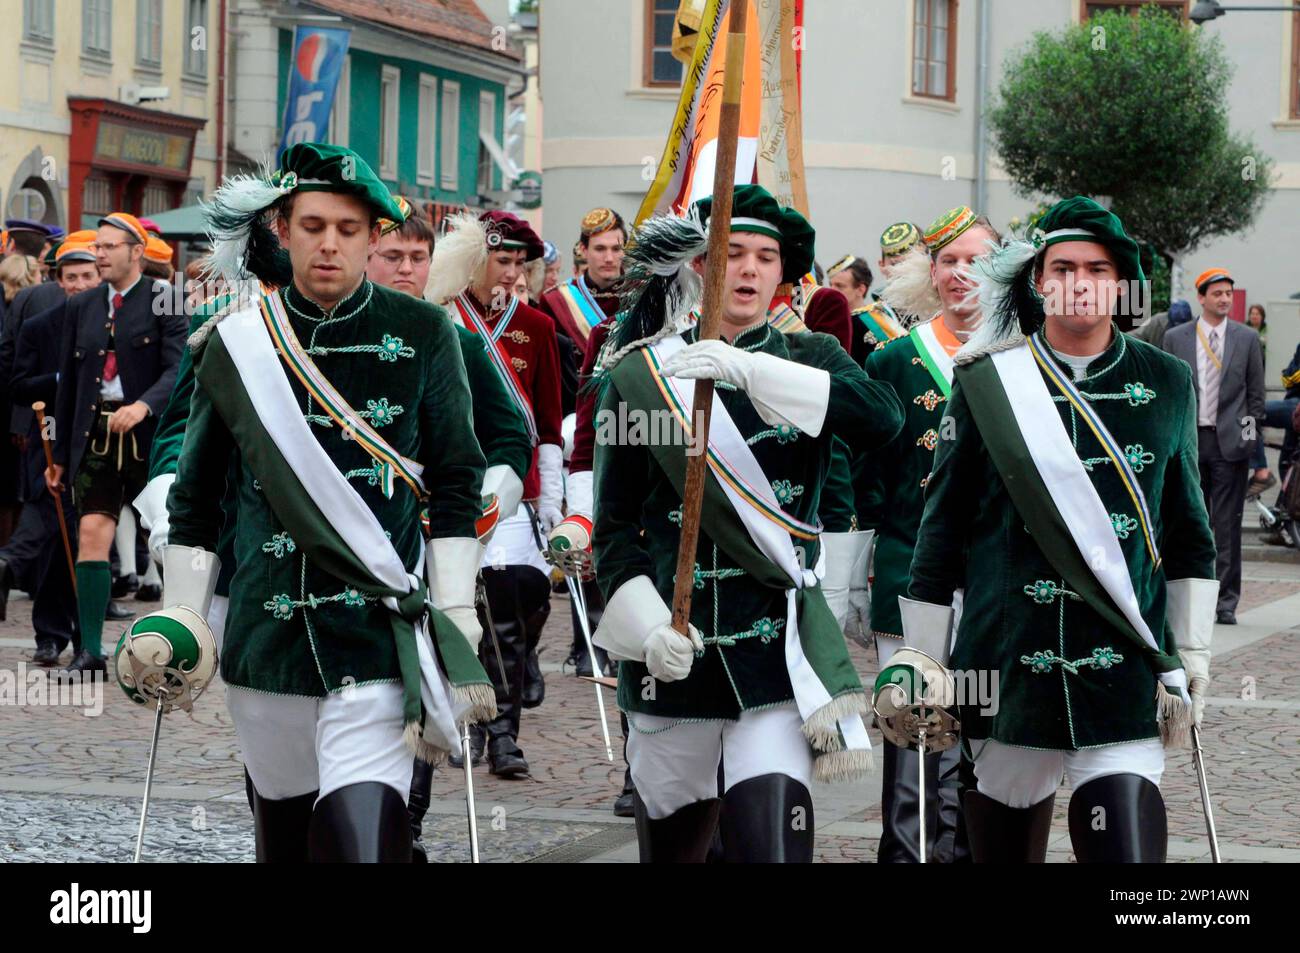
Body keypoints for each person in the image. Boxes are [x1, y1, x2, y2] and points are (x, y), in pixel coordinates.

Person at [155, 142, 492, 862]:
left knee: (365, 838)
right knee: (286, 840)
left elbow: (459, 478)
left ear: (374, 235)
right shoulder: (233, 342)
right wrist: (182, 616)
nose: (329, 244)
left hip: (375, 638)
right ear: (282, 228)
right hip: (265, 643)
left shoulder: (426, 334)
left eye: (347, 228)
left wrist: (456, 609)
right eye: (313, 226)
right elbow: (196, 497)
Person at [590, 184, 904, 862]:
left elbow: (883, 418)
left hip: (774, 656)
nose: (752, 270)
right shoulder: (641, 375)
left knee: (772, 837)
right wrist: (646, 628)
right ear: (699, 265)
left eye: (767, 256)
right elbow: (614, 530)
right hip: (674, 657)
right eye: (733, 253)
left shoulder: (810, 357)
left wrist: (753, 371)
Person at [905, 196, 1217, 863]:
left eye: (1098, 268)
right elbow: (940, 536)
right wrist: (922, 659)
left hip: (1127, 671)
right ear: (1037, 281)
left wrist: (1191, 656)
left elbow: (1190, 533)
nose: (1080, 282)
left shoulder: (1166, 381)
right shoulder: (987, 381)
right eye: (1064, 267)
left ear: (1121, 283)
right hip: (1006, 671)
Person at [365, 199, 531, 859]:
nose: (408, 268)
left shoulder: (456, 341)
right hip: (346, 543)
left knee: (423, 678)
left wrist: (486, 500)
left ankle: (404, 826)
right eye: (394, 255)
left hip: (430, 541)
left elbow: (511, 433)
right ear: (367, 257)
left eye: (417, 257)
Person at [850, 205, 999, 864]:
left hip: (1000, 579)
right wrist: (853, 575)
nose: (962, 273)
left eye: (978, 259)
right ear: (928, 271)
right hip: (912, 576)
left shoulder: (1025, 355)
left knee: (986, 733)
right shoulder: (892, 363)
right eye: (949, 260)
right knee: (915, 725)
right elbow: (865, 478)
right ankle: (907, 856)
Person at [428, 209, 564, 778]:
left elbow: (552, 422)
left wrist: (552, 500)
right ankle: (483, 723)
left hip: (514, 487)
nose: (509, 272)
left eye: (517, 262)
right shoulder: (438, 318)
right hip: (452, 485)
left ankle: (503, 729)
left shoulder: (536, 326)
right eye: (499, 259)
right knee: (469, 604)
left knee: (515, 598)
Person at [47, 213, 186, 674]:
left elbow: (178, 368)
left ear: (137, 251)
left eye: (109, 247)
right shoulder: (81, 306)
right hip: (96, 436)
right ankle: (89, 650)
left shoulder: (167, 297)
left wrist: (144, 405)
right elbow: (70, 386)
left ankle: (183, 646)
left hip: (150, 435)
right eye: (97, 247)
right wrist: (61, 457)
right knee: (91, 532)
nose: (100, 255)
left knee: (167, 542)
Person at [0, 234, 102, 664]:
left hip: (97, 446)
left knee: (86, 543)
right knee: (53, 534)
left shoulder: (110, 323)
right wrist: (62, 382)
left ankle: (85, 638)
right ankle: (49, 634)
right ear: (58, 281)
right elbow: (18, 384)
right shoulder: (39, 327)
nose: (78, 284)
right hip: (50, 437)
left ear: (99, 278)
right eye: (70, 277)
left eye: (86, 276)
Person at [1162, 268, 1265, 625]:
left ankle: (1225, 603)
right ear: (1201, 298)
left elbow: (1255, 398)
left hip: (1229, 446)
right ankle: (1188, 600)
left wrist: (1249, 444)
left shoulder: (1247, 339)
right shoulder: (1176, 338)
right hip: (1188, 442)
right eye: (1217, 293)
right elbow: (1167, 392)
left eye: (1228, 294)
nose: (1224, 299)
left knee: (1227, 526)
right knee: (1188, 523)